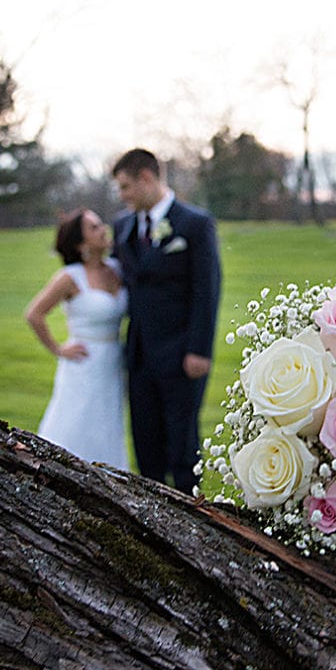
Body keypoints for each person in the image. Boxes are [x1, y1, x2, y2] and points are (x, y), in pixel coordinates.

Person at [110, 148, 221, 494]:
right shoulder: (123, 227)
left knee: (182, 446)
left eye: (126, 187)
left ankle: (193, 519)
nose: (122, 196)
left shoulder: (194, 224)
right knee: (145, 444)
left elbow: (207, 290)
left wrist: (199, 350)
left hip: (182, 355)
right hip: (139, 356)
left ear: (146, 177)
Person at [25, 208, 129, 470]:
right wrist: (59, 349)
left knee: (108, 423)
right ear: (81, 243)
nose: (103, 228)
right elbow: (34, 314)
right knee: (77, 421)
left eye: (100, 223)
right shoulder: (70, 277)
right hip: (84, 361)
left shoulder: (117, 268)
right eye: (94, 227)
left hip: (113, 361)